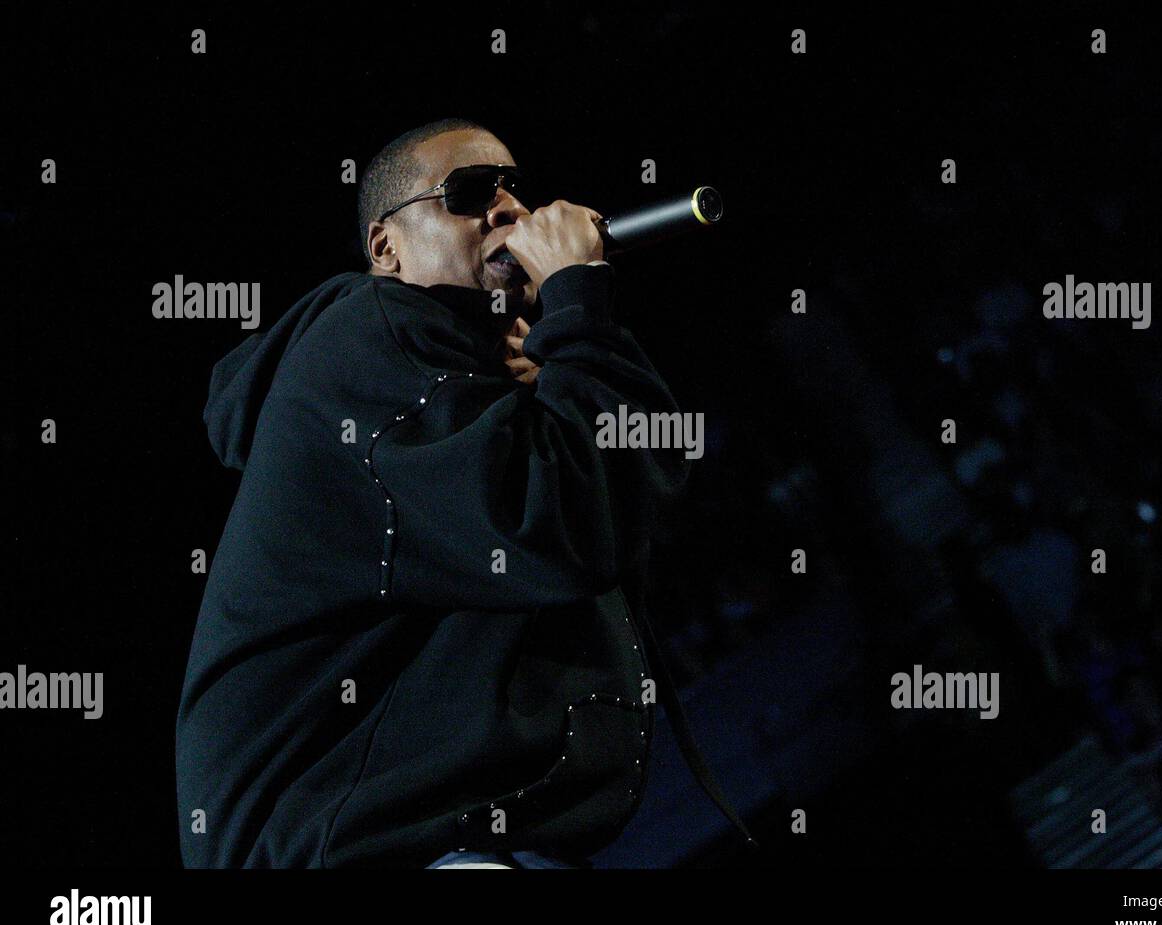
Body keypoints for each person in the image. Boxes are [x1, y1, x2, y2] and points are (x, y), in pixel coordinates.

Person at [175, 118, 754, 868]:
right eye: (472, 191)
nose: (510, 207)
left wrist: (563, 370)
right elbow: (558, 523)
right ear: (386, 246)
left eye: (516, 187)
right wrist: (577, 306)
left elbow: (634, 483)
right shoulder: (361, 335)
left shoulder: (476, 391)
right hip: (345, 850)